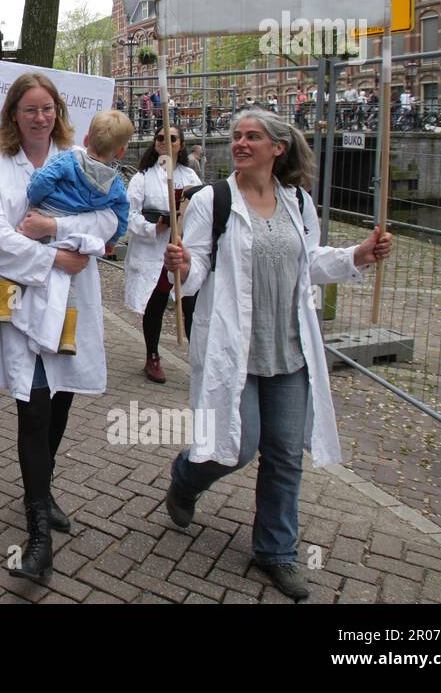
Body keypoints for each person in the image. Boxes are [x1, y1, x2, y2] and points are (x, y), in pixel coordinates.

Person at [161, 108, 393, 600]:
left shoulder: (297, 201)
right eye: (236, 136)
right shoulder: (211, 200)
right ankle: (186, 478)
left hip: (289, 350)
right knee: (236, 447)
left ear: (278, 147)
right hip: (234, 349)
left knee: (286, 454)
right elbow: (197, 272)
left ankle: (276, 552)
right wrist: (181, 266)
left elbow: (310, 262)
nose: (241, 143)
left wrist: (357, 255)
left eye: (252, 137)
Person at [0, 73, 119, 583]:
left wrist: (57, 228)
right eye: (30, 109)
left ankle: (43, 486)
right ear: (13, 114)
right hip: (20, 297)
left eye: (48, 107)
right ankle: (38, 533)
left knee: (60, 401)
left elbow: (108, 224)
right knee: (32, 408)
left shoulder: (82, 159)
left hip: (74, 301)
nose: (41, 117)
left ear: (58, 111)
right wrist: (53, 257)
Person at [0, 109, 132, 357]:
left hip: (48, 214)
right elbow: (121, 215)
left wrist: (35, 198)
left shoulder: (68, 160)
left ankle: (5, 306)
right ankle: (68, 335)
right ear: (120, 152)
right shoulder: (115, 183)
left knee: (14, 261)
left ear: (86, 140)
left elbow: (42, 181)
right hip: (77, 240)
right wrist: (113, 242)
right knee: (69, 285)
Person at [123, 125, 202, 384]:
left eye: (171, 138)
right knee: (155, 305)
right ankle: (152, 355)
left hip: (181, 247)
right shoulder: (142, 177)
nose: (165, 142)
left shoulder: (190, 175)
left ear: (180, 144)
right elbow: (129, 215)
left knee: (191, 303)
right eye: (160, 138)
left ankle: (199, 360)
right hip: (154, 248)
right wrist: (153, 227)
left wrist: (183, 215)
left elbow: (203, 211)